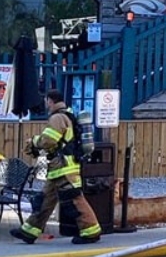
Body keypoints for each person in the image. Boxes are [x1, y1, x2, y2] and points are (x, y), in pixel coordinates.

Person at [10, 89, 101, 245]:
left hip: (64, 168)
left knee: (75, 199)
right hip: (58, 168)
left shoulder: (58, 118)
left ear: (50, 101)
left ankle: (91, 232)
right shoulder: (67, 115)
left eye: (47, 102)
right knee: (44, 200)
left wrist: (34, 141)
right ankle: (29, 231)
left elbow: (49, 140)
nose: (46, 105)